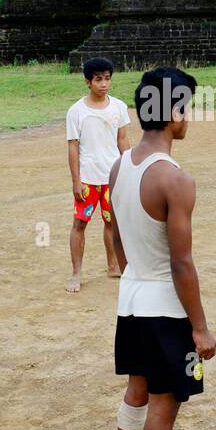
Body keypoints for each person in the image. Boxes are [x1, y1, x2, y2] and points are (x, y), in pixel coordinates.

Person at [108, 67, 216, 430]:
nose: (189, 117)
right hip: (164, 307)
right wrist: (200, 326)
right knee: (163, 402)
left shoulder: (120, 165)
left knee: (137, 388)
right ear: (173, 113)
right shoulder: (175, 179)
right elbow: (182, 264)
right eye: (187, 108)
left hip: (130, 298)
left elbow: (115, 234)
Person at [66, 57, 131, 293]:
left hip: (112, 177)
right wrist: (76, 181)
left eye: (107, 79)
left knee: (111, 222)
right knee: (79, 224)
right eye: (98, 79)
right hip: (87, 180)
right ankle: (76, 273)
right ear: (87, 81)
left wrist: (130, 166)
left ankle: (113, 265)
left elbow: (122, 139)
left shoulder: (119, 107)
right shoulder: (76, 111)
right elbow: (73, 146)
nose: (103, 84)